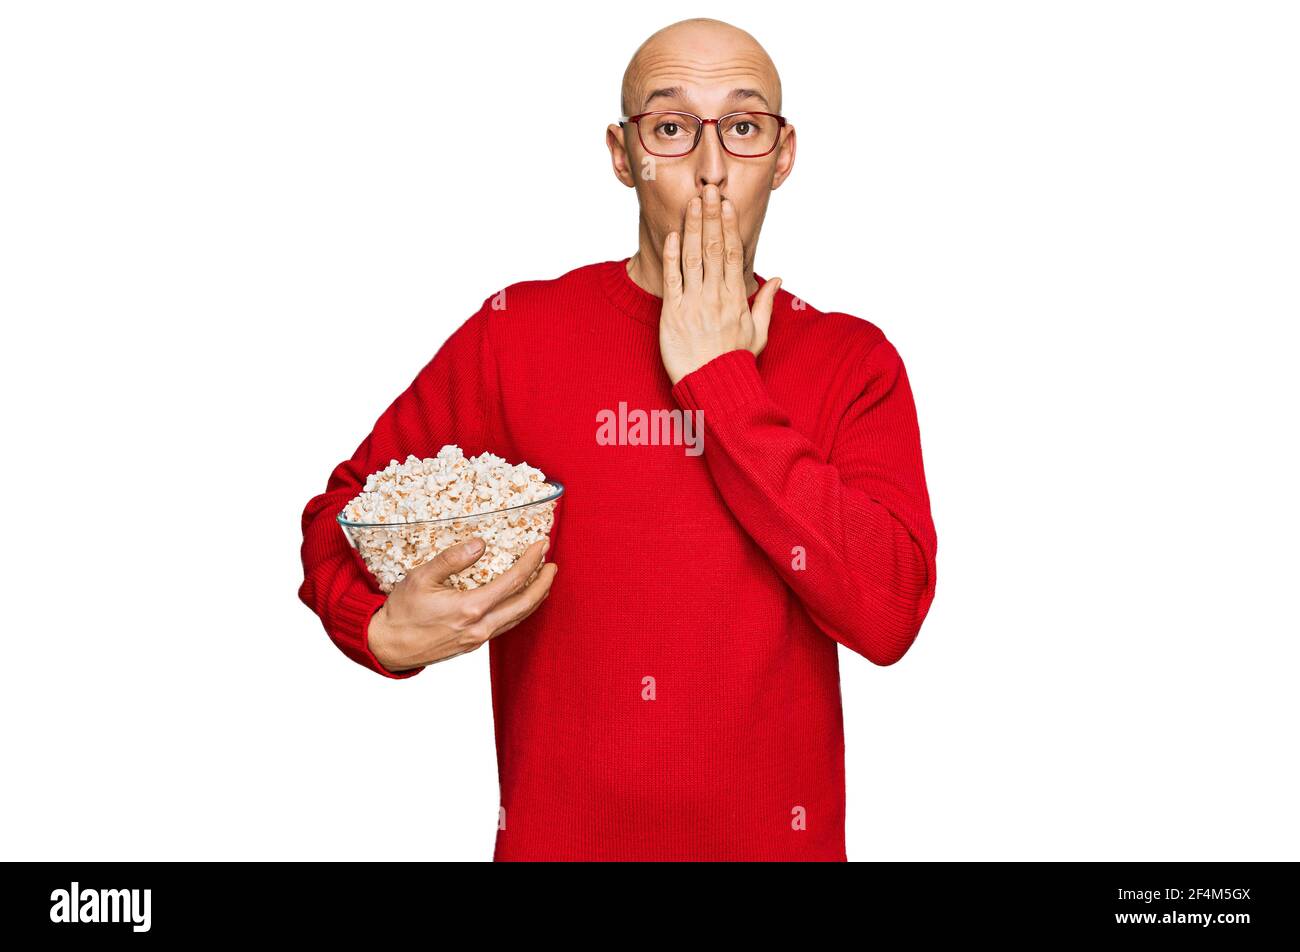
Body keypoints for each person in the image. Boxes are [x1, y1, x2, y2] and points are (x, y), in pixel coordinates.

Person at [298, 16, 938, 861]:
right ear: (621, 154)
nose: (710, 170)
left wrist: (719, 384)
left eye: (743, 129)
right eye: (671, 129)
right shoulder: (516, 334)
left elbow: (889, 614)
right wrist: (374, 627)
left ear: (783, 157)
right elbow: (343, 513)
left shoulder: (851, 359)